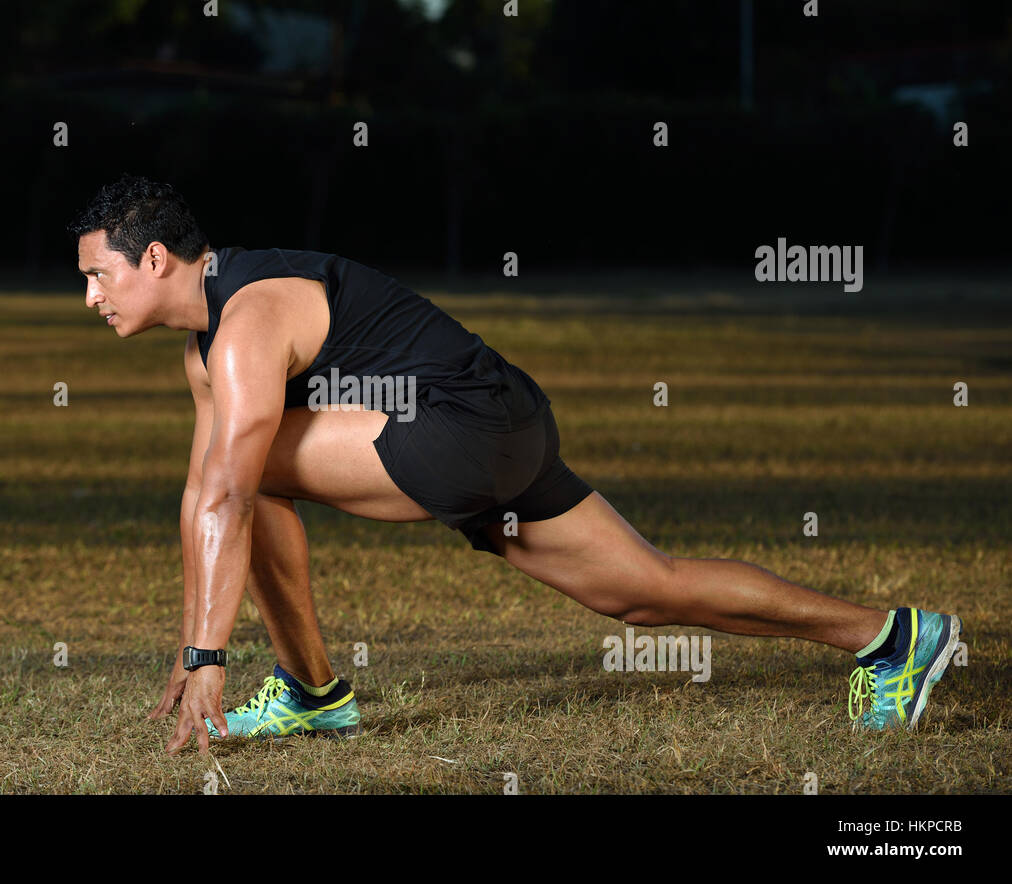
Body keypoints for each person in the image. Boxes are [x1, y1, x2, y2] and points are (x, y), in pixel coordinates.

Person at [68, 175, 963, 755]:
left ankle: (310, 693)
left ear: (155, 258)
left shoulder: (249, 315)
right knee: (646, 591)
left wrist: (209, 650)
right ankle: (891, 637)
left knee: (251, 466)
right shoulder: (202, 351)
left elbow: (230, 489)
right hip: (504, 423)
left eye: (100, 275)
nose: (89, 297)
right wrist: (189, 654)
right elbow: (199, 498)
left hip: (464, 428)